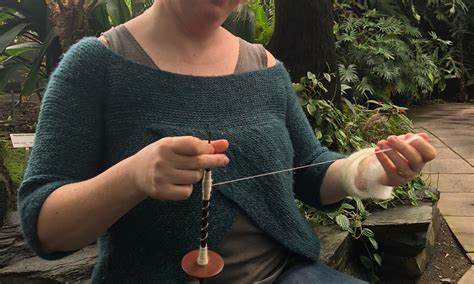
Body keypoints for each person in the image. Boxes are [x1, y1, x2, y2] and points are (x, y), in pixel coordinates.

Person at [17, 0, 437, 283]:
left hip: (286, 274)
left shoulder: (265, 66)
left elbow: (310, 170)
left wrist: (367, 169)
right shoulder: (96, 65)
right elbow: (45, 229)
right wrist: (132, 177)